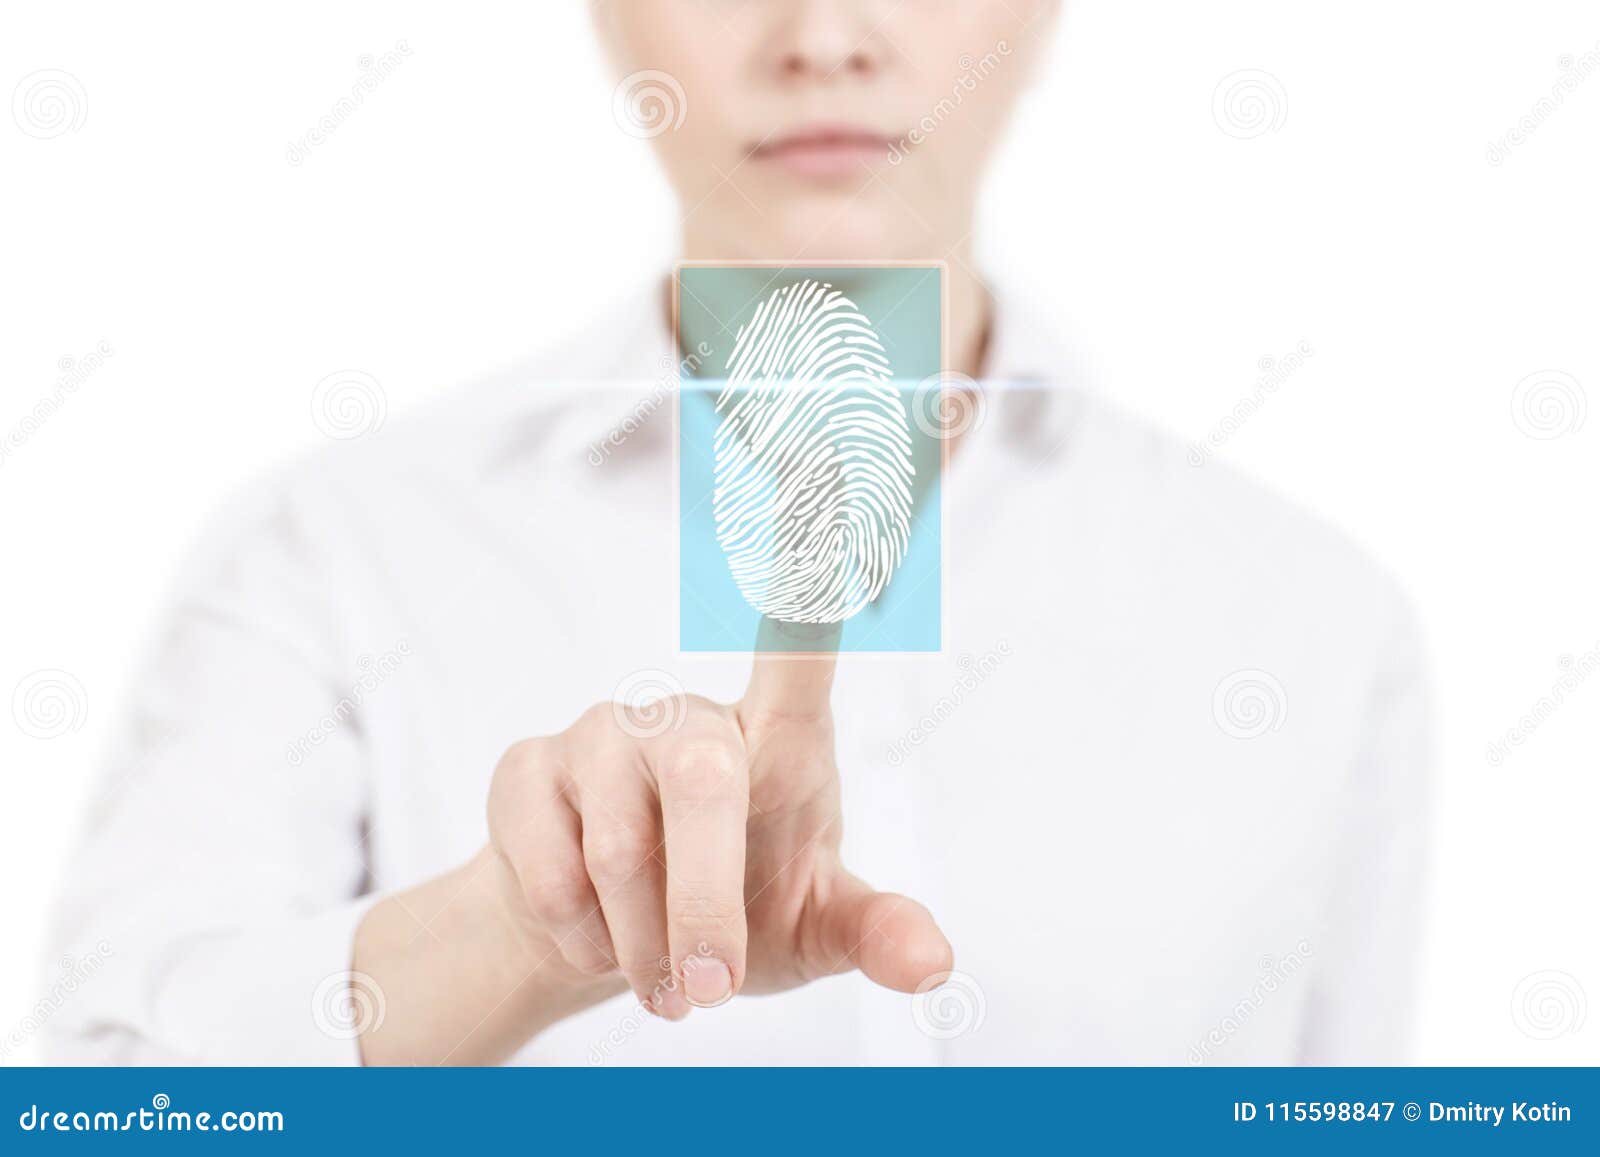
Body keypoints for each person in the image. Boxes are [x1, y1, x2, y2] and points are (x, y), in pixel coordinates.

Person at [45, 0, 1428, 1066]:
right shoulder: (330, 553)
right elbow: (106, 1103)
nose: (822, 38)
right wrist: (512, 935)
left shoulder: (1310, 615)